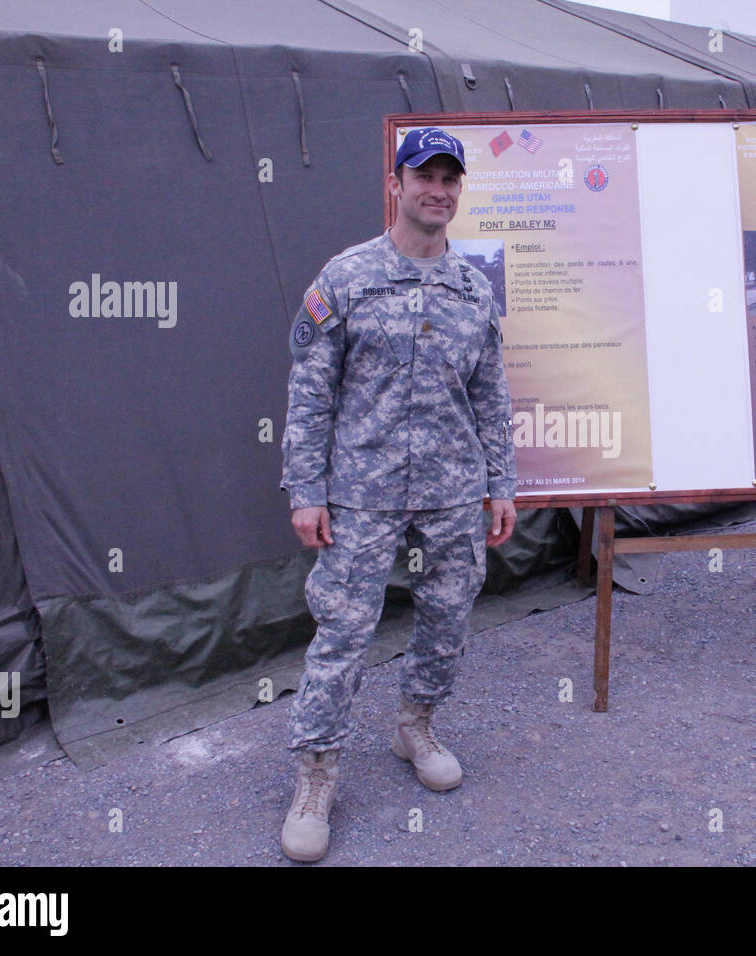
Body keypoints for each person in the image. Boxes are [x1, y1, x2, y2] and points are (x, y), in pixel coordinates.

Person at [278, 127, 517, 862]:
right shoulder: (347, 278)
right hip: (362, 490)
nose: (437, 190)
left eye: (450, 178)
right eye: (424, 176)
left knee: (447, 617)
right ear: (396, 184)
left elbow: (490, 394)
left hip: (451, 490)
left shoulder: (474, 288)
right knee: (344, 633)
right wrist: (306, 491)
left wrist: (501, 482)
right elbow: (310, 393)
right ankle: (316, 774)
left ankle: (415, 723)